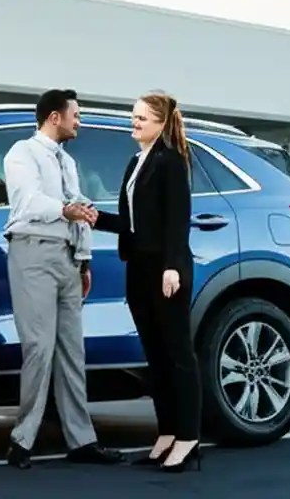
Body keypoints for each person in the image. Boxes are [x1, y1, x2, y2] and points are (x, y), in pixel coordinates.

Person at [1, 89, 124, 469]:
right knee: (39, 347)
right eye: (76, 115)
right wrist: (66, 210)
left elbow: (80, 209)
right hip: (33, 253)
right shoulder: (22, 153)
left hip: (69, 261)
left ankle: (82, 441)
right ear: (55, 117)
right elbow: (27, 203)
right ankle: (22, 440)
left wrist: (84, 262)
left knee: (73, 351)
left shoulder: (67, 162)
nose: (79, 121)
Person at [91, 91, 203, 473]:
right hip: (138, 267)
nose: (134, 123)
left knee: (178, 355)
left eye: (141, 118)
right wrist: (94, 218)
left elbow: (177, 218)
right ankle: (167, 432)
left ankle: (189, 437)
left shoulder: (171, 162)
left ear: (160, 122)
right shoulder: (136, 162)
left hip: (165, 270)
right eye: (133, 116)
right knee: (155, 356)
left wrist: (172, 266)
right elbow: (130, 222)